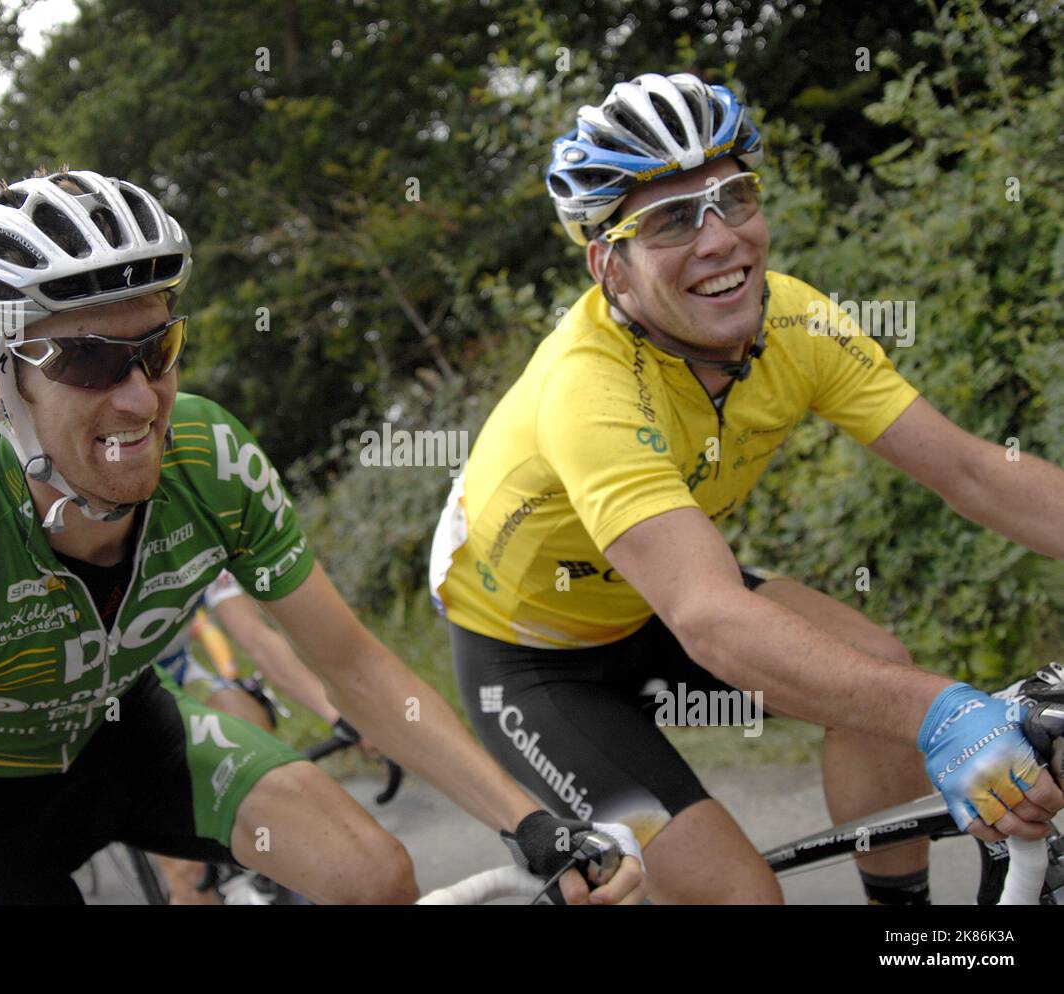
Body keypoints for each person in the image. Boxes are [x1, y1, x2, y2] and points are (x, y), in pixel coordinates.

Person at [0, 169, 644, 905]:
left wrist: (532, 824)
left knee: (374, 877)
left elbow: (355, 666)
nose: (137, 400)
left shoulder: (211, 458)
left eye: (156, 349)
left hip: (125, 733)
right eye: (87, 361)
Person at [429, 71, 1064, 905]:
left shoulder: (795, 323)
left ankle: (904, 924)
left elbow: (973, 471)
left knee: (878, 669)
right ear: (609, 267)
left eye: (734, 197)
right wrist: (945, 712)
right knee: (742, 896)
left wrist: (921, 706)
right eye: (669, 220)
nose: (721, 237)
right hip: (538, 668)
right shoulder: (588, 389)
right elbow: (712, 618)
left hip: (650, 601)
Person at [152, 570, 378, 904]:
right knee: (188, 869)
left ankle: (268, 866)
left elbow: (258, 640)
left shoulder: (198, 535)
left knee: (244, 718)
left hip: (180, 675)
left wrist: (338, 715)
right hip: (111, 701)